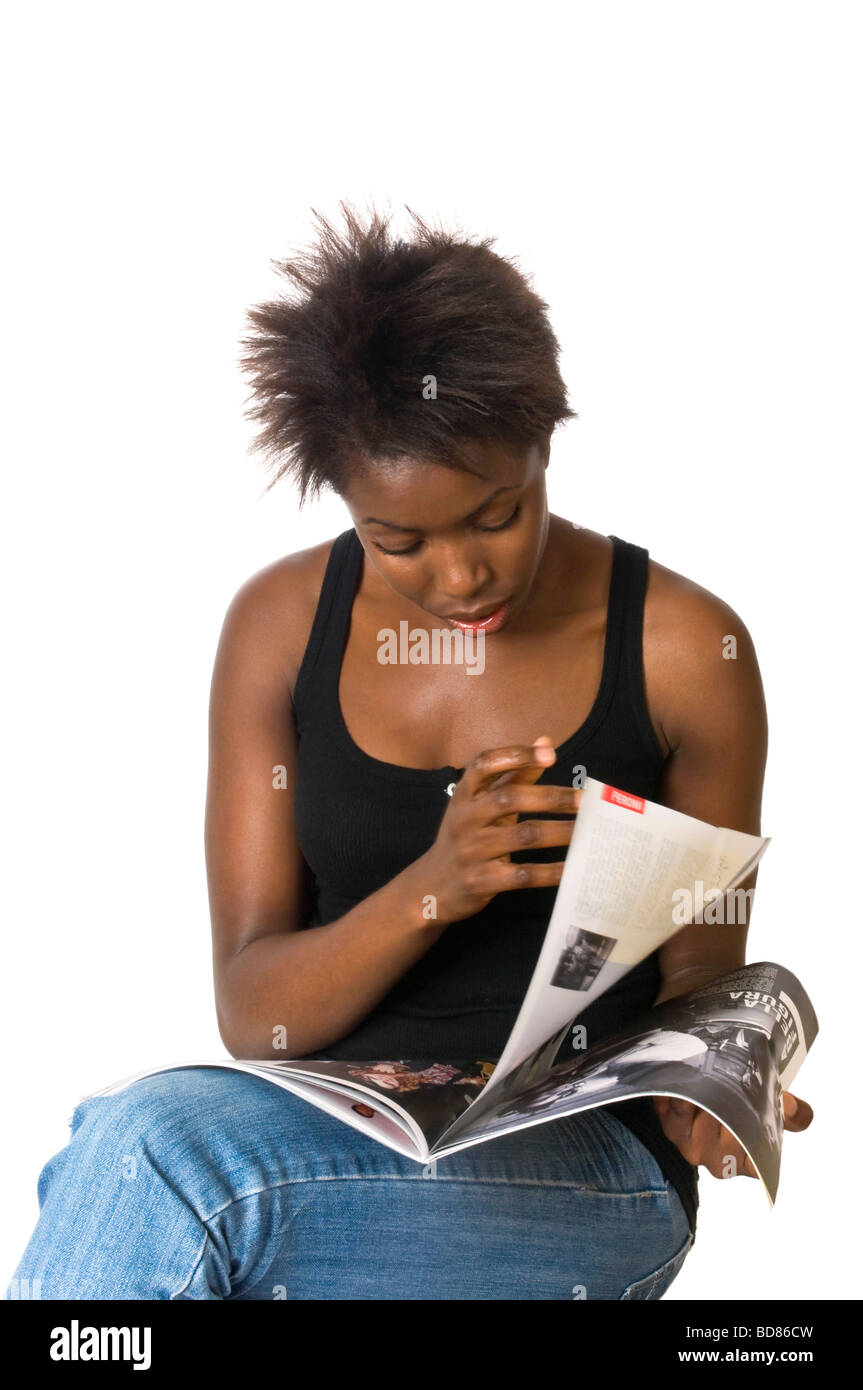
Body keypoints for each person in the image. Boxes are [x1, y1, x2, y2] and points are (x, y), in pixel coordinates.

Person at [7, 203, 813, 1301]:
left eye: (496, 515)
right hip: (332, 1135)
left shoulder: (683, 650)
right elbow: (257, 1014)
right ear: (347, 502)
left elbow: (702, 979)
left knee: (149, 1149)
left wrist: (720, 1085)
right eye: (400, 542)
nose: (459, 577)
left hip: (592, 1173)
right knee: (124, 1143)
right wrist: (436, 885)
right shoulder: (282, 627)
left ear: (543, 448)